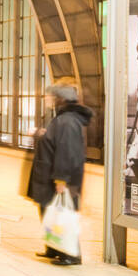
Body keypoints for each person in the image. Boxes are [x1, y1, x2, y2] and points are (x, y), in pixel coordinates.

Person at [26, 79, 93, 265]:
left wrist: (61, 179)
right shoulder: (60, 119)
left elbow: (67, 151)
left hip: (61, 179)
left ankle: (70, 254)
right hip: (50, 176)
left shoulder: (67, 121)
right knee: (51, 212)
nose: (48, 98)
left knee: (63, 214)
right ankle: (54, 248)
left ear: (61, 98)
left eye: (51, 95)